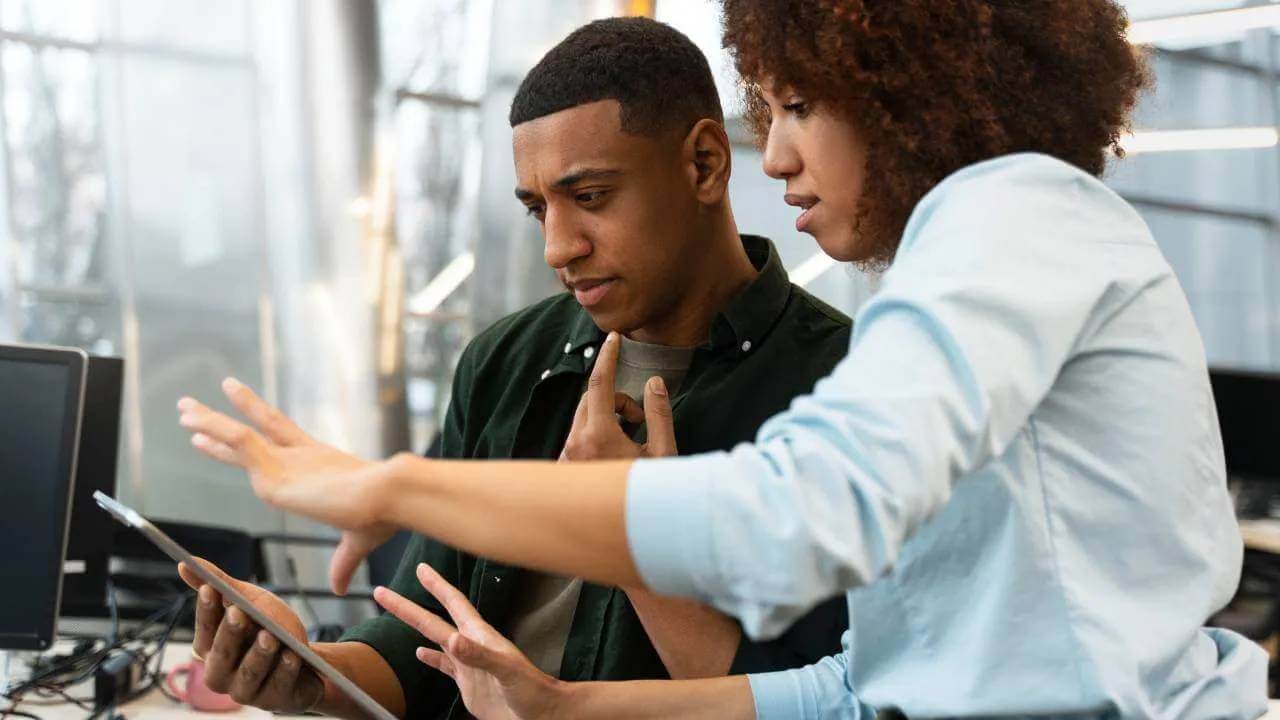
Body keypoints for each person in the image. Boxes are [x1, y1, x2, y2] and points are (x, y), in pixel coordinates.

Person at [177, 0, 1270, 717]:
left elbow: (796, 514)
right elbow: (863, 691)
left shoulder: (1011, 215)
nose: (777, 152)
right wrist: (564, 706)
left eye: (796, 105)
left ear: (909, 92)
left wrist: (396, 483)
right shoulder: (941, 282)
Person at [174, 17, 851, 720]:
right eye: (537, 210)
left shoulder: (843, 385)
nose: (559, 247)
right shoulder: (505, 361)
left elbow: (813, 699)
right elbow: (417, 650)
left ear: (705, 164)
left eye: (590, 197)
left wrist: (626, 527)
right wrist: (307, 675)